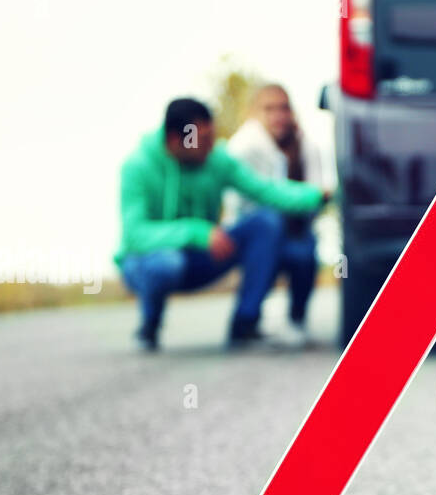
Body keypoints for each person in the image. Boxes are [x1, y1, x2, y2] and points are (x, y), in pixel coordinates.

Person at [115, 97, 329, 350]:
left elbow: (266, 190)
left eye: (211, 137)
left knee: (265, 223)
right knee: (165, 263)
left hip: (203, 257)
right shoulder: (137, 166)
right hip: (148, 264)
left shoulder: (217, 160)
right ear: (175, 140)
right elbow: (134, 235)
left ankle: (245, 324)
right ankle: (149, 324)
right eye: (202, 140)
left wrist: (318, 195)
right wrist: (197, 232)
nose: (210, 146)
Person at [224, 84, 327, 347]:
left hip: (293, 232)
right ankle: (246, 320)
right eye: (269, 109)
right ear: (253, 113)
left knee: (306, 248)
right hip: (254, 235)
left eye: (284, 108)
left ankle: (296, 319)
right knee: (267, 230)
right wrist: (307, 198)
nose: (278, 115)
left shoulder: (306, 147)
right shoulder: (244, 148)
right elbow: (251, 199)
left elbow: (315, 199)